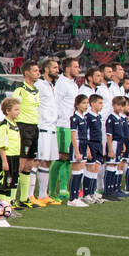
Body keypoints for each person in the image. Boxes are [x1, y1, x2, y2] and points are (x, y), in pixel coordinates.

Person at [12, 61, 42, 209]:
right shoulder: (20, 90)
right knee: (20, 164)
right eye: (35, 70)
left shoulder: (36, 91)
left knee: (29, 164)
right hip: (23, 127)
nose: (38, 73)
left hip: (34, 128)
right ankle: (11, 199)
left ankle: (24, 198)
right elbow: (12, 109)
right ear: (27, 73)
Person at [50, 56, 80, 200]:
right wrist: (62, 119)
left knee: (68, 158)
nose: (78, 69)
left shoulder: (73, 84)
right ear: (68, 69)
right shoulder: (62, 83)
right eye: (75, 67)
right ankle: (52, 191)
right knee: (62, 157)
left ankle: (63, 188)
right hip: (62, 125)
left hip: (70, 125)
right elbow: (55, 103)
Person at [34, 58, 61, 205]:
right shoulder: (39, 85)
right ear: (46, 69)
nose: (57, 70)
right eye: (55, 68)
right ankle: (30, 195)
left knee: (48, 161)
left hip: (52, 127)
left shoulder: (52, 86)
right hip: (42, 127)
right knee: (38, 160)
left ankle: (43, 195)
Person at [0, 96, 22, 214]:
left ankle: (8, 207)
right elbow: (1, 145)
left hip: (14, 157)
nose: (18, 112)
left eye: (18, 109)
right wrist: (4, 161)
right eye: (16, 110)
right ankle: (2, 209)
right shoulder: (4, 125)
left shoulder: (14, 124)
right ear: (7, 111)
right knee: (3, 183)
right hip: (5, 157)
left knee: (10, 183)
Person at [67, 94, 89, 206]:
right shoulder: (74, 118)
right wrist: (77, 151)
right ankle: (72, 199)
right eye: (84, 103)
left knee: (80, 172)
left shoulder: (83, 118)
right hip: (78, 145)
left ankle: (76, 196)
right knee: (76, 172)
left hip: (84, 145)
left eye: (87, 103)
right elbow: (73, 136)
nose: (86, 105)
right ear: (77, 104)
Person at [84, 93, 105, 202]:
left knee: (96, 168)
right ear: (92, 104)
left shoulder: (99, 117)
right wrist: (87, 148)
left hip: (98, 144)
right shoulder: (88, 117)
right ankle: (86, 193)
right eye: (100, 103)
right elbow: (85, 133)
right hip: (91, 144)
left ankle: (92, 192)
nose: (102, 105)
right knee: (90, 168)